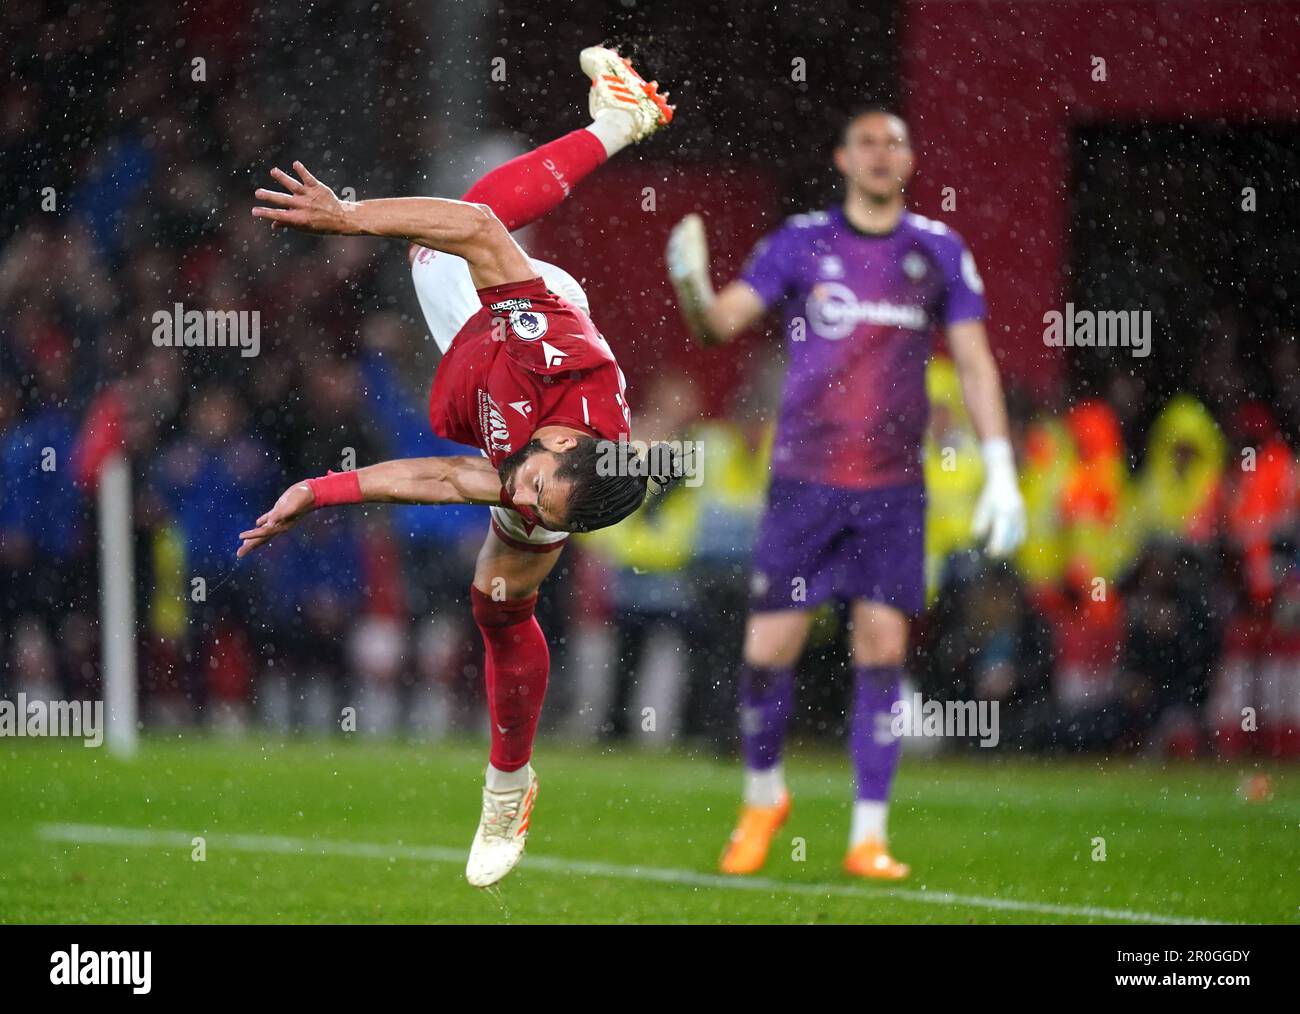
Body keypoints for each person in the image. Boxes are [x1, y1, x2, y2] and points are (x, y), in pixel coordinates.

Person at [238, 47, 679, 887]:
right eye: (532, 487)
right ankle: (618, 124)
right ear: (558, 442)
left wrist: (316, 491)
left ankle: (507, 786)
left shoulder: (543, 491)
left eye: (537, 509)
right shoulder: (554, 345)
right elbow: (479, 230)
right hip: (505, 338)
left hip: (483, 368)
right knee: (455, 230)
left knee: (500, 607)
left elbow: (449, 479)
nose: (514, 494)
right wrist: (348, 217)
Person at [665, 107, 1026, 879]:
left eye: (895, 142)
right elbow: (720, 324)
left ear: (910, 161)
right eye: (867, 141)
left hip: (893, 492)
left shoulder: (939, 251)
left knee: (884, 651)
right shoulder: (800, 242)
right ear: (841, 157)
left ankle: (869, 835)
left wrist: (1000, 466)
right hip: (804, 486)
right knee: (767, 655)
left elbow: (974, 362)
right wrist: (696, 292)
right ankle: (764, 796)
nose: (881, 153)